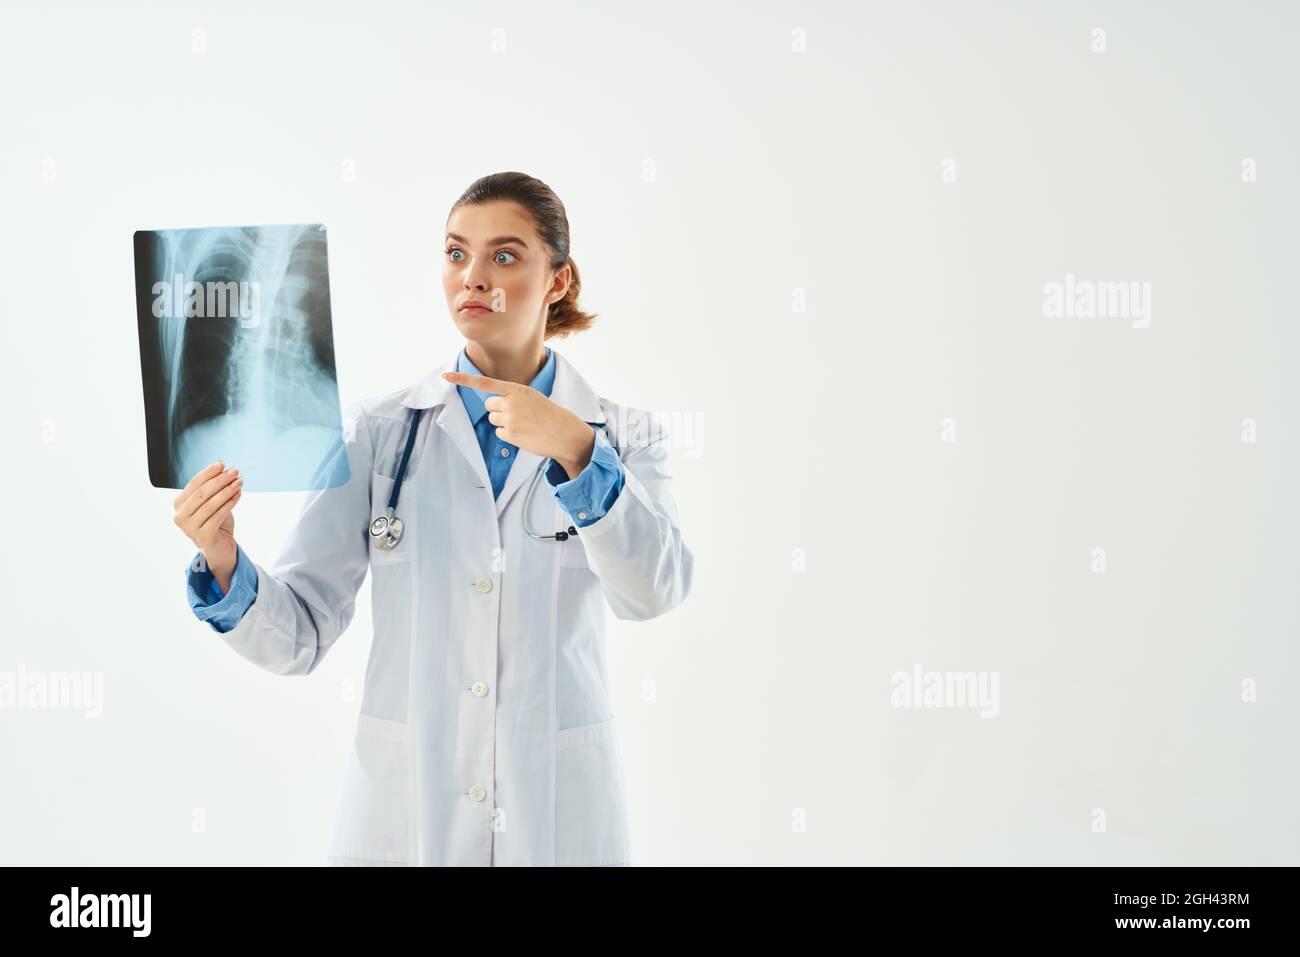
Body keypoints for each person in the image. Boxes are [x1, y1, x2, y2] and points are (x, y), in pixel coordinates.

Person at [170, 171, 693, 866]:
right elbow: (300, 633)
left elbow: (654, 589)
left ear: (558, 280)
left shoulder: (623, 436)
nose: (472, 276)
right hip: (405, 816)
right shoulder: (379, 433)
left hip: (559, 817)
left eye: (504, 256)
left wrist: (575, 447)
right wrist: (225, 560)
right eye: (455, 253)